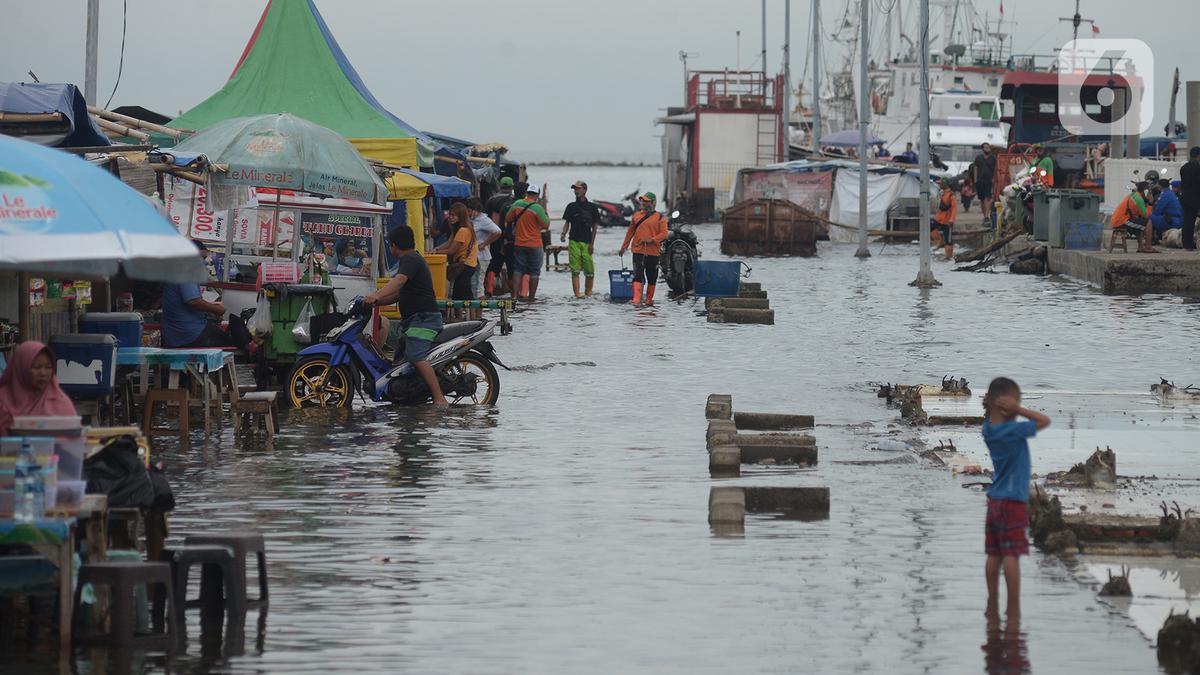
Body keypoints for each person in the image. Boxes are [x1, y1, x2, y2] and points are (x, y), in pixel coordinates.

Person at [981, 377, 1051, 619]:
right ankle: (1013, 607)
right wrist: (1019, 410)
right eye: (1016, 402)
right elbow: (1044, 421)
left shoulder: (988, 429)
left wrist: (1001, 407)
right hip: (1013, 501)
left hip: (995, 500)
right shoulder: (1013, 430)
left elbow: (992, 417)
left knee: (994, 554)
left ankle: (992, 601)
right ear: (1005, 406)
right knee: (1011, 555)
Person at [363, 226, 448, 407]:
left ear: (394, 245)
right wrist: (376, 302)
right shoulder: (411, 259)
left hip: (424, 320)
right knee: (400, 360)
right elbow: (399, 294)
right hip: (413, 321)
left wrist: (376, 295)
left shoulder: (410, 259)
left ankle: (439, 398)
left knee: (415, 355)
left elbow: (399, 281)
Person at [161, 242, 255, 351]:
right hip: (190, 336)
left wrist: (208, 311)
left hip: (177, 335)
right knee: (237, 341)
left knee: (231, 329)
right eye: (201, 257)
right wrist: (216, 310)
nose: (203, 262)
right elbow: (193, 301)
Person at [0, 341, 78, 433]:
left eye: (48, 367)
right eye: (36, 367)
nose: (43, 373)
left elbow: (74, 441)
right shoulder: (3, 403)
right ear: (21, 368)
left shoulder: (59, 402)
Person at [619, 192, 668, 307]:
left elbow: (664, 234)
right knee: (637, 275)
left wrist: (652, 239)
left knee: (652, 277)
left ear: (653, 203)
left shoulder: (660, 218)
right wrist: (624, 247)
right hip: (638, 251)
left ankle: (648, 300)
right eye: (642, 201)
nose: (643, 203)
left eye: (646, 201)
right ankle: (636, 300)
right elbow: (630, 233)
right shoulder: (636, 216)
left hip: (653, 253)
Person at [505, 184, 550, 301]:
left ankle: (514, 296)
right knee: (534, 271)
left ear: (527, 193)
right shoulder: (537, 208)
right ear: (537, 195)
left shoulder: (517, 204)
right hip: (535, 244)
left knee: (518, 269)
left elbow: (508, 218)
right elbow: (546, 224)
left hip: (519, 243)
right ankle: (531, 297)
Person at [560, 180, 601, 298]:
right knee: (575, 270)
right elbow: (567, 223)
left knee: (590, 271)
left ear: (585, 190)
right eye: (575, 189)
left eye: (578, 189)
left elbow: (594, 227)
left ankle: (588, 294)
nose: (576, 191)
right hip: (574, 241)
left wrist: (592, 244)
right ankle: (577, 295)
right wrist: (563, 233)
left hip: (587, 242)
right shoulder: (571, 206)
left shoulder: (592, 207)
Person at [432, 203, 479, 302]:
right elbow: (448, 243)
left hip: (465, 265)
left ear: (460, 216)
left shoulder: (462, 230)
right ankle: (465, 316)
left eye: (454, 215)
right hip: (469, 264)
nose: (450, 218)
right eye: (450, 215)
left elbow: (451, 250)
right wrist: (435, 250)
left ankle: (470, 316)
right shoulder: (462, 228)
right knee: (461, 294)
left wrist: (436, 253)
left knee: (464, 295)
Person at [484, 177, 518, 295]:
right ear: (512, 187)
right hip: (511, 236)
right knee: (512, 265)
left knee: (494, 262)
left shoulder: (492, 199)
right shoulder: (514, 200)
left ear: (500, 186)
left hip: (495, 234)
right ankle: (515, 292)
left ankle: (489, 289)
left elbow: (486, 218)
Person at [467, 196, 502, 302]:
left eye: (469, 210)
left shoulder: (484, 220)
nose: (467, 213)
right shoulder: (472, 220)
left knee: (478, 286)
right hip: (473, 256)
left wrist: (485, 243)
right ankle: (474, 313)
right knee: (473, 284)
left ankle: (479, 314)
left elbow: (497, 231)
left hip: (481, 257)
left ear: (475, 210)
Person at [1111, 182, 1155, 253]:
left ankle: (1141, 247)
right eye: (1149, 191)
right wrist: (1150, 203)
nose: (1149, 193)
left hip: (1119, 219)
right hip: (1122, 221)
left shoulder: (1134, 195)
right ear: (1145, 191)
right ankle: (1148, 247)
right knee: (1148, 222)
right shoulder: (1138, 199)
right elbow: (1146, 215)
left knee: (1140, 222)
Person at [1179, 146, 1200, 250]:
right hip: (1195, 198)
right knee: (1191, 222)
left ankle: (1187, 244)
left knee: (1187, 221)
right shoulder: (1197, 167)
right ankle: (1190, 244)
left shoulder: (1184, 168)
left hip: (1185, 198)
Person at [1150, 178, 1183, 242]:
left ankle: (1151, 239)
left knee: (1148, 218)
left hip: (1173, 221)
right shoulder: (1171, 193)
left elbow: (1157, 211)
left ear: (1159, 186)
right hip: (1178, 219)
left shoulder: (1165, 194)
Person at [933, 178, 957, 257]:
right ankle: (939, 242)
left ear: (945, 184)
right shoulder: (941, 193)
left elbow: (954, 208)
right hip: (939, 218)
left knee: (948, 240)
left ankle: (949, 257)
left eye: (941, 183)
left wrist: (952, 219)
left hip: (947, 221)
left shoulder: (951, 195)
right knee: (931, 228)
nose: (939, 185)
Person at [971, 142, 997, 218]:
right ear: (982, 149)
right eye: (986, 148)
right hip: (980, 181)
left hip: (989, 181)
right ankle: (984, 215)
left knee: (987, 198)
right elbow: (975, 168)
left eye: (988, 147)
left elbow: (996, 169)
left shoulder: (993, 158)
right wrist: (975, 180)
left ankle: (986, 216)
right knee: (982, 199)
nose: (987, 149)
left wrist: (994, 179)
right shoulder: (978, 158)